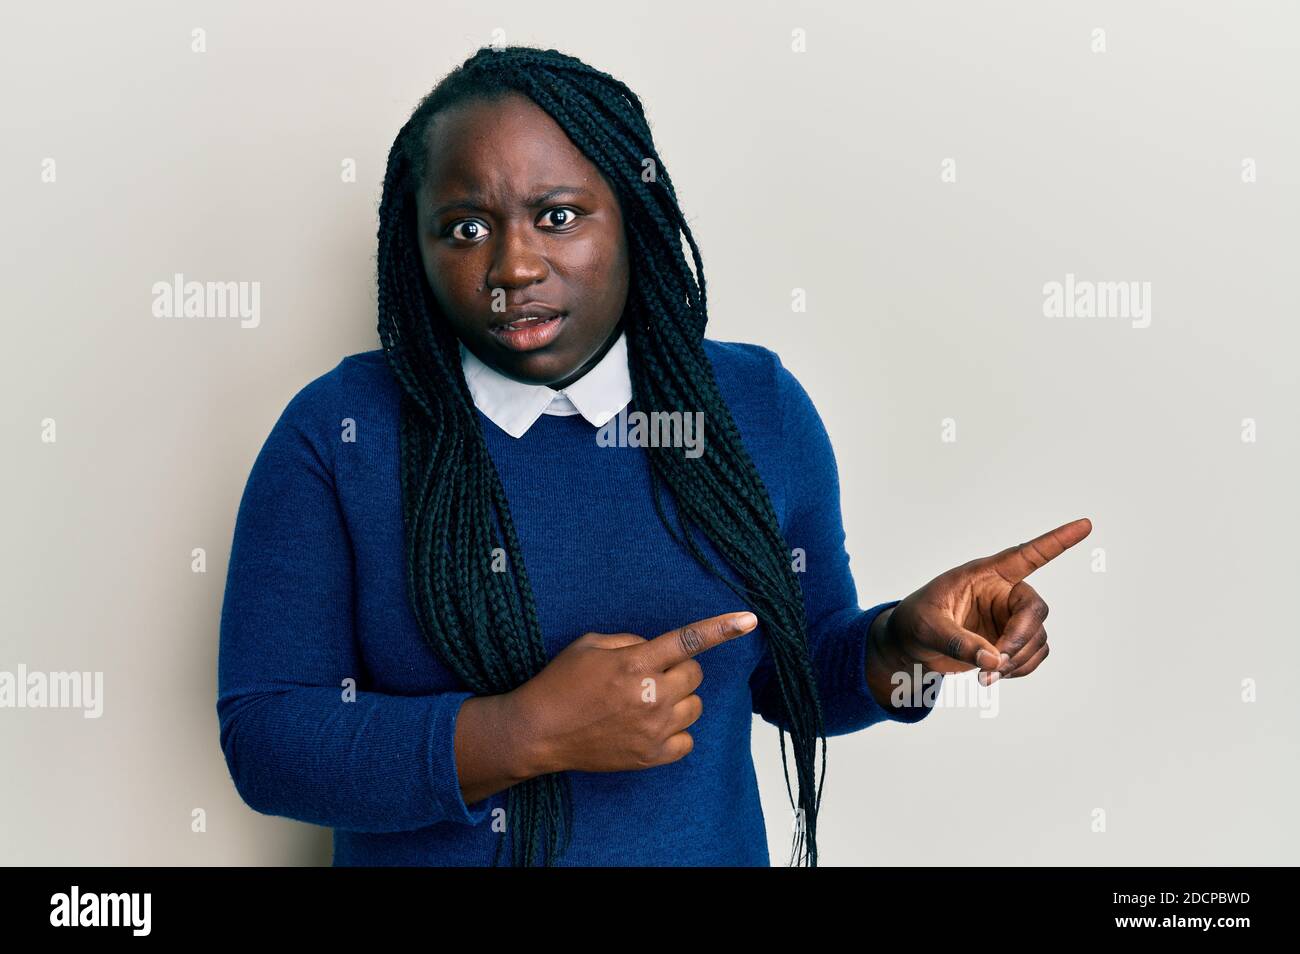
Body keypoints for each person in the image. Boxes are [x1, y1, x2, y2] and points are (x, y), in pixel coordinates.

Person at [216, 44, 1091, 867]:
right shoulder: (341, 431)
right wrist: (523, 733)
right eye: (464, 229)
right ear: (415, 248)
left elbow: (799, 683)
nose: (513, 265)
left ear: (632, 218)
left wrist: (902, 646)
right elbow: (267, 738)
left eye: (557, 216)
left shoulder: (756, 409)